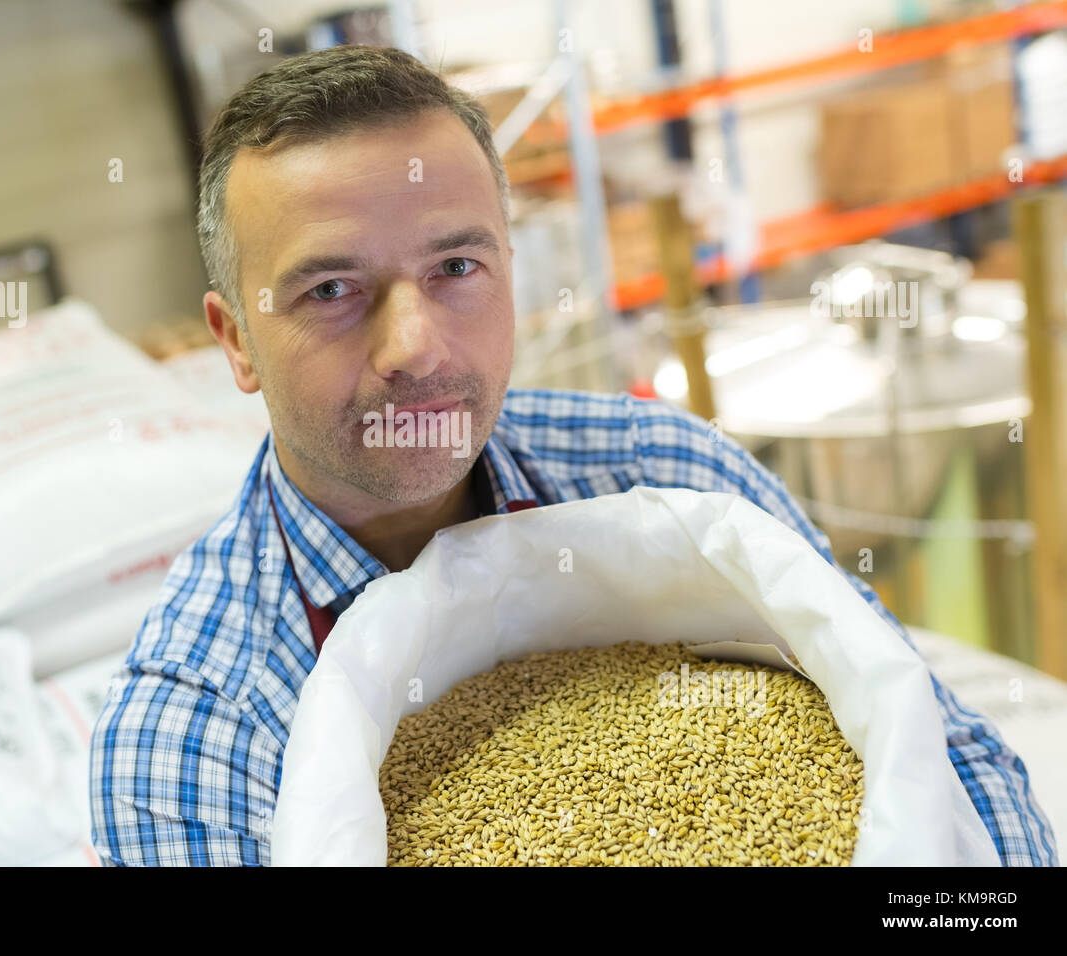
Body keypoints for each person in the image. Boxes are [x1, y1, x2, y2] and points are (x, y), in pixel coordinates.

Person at [88, 44, 1057, 867]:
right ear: (234, 341)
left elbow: (947, 749)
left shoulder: (661, 469)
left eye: (455, 267)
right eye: (331, 289)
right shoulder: (191, 730)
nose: (414, 346)